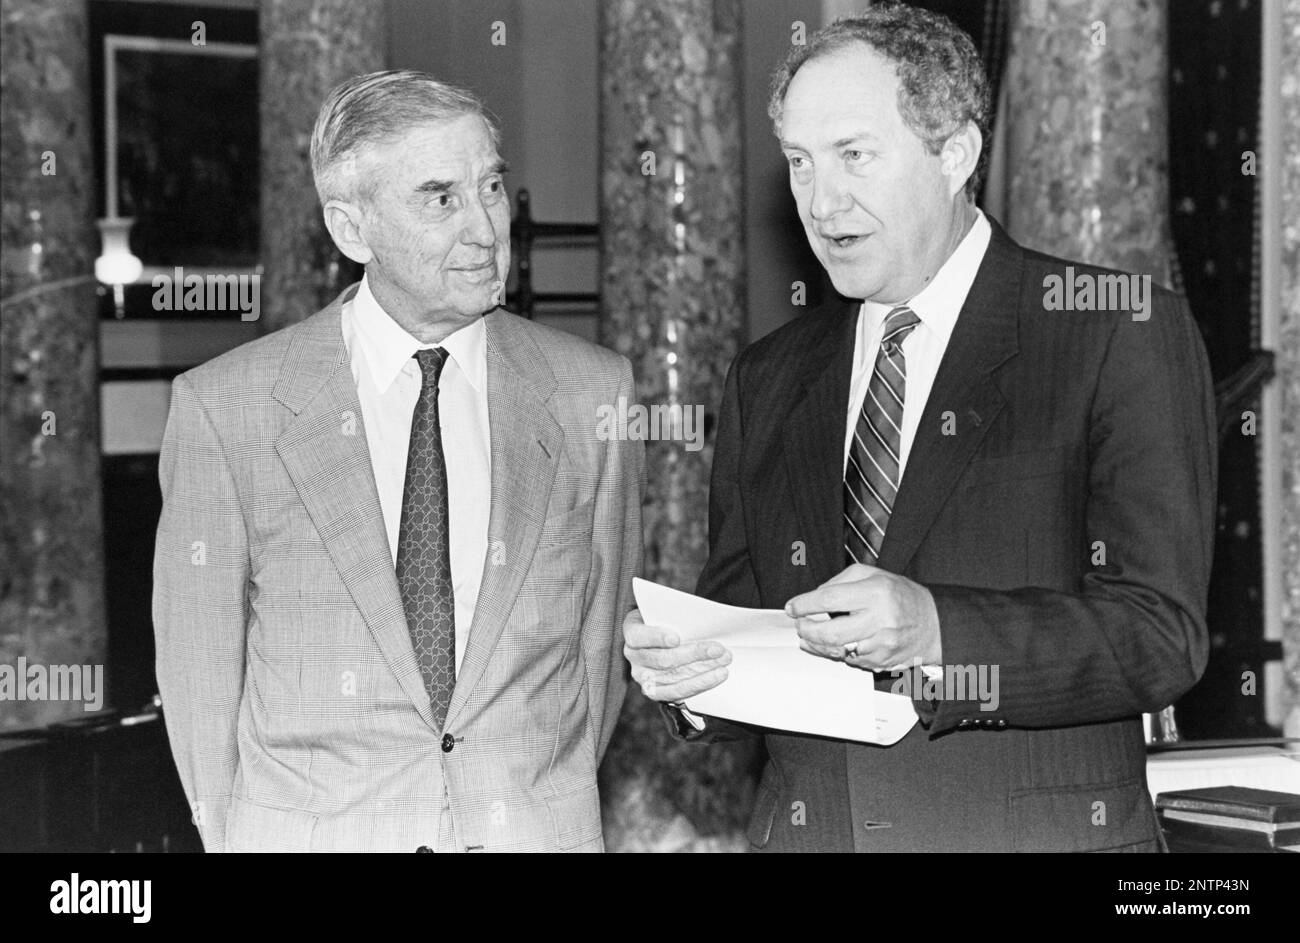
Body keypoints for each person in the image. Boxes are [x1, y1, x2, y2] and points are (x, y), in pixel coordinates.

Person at [624, 6, 1216, 852]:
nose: (822, 203)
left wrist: (940, 630)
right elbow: (751, 624)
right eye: (799, 163)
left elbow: (1160, 635)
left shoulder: (1113, 331)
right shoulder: (769, 375)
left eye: (855, 155)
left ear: (955, 153)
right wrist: (693, 679)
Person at [153, 70, 643, 852]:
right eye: (440, 198)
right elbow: (199, 684)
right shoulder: (227, 410)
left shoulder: (592, 394)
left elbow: (597, 661)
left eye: (490, 186)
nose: (486, 228)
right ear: (352, 229)